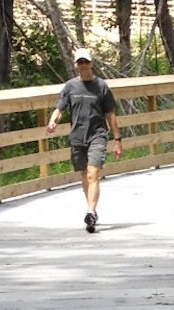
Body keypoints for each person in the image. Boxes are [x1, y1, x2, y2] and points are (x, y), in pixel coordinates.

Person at [49, 48, 121, 232]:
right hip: (77, 136)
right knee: (84, 175)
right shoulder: (70, 86)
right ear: (76, 65)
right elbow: (60, 109)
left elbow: (110, 113)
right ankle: (91, 210)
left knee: (93, 174)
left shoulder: (101, 86)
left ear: (91, 63)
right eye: (79, 62)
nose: (83, 65)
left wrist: (117, 139)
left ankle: (90, 211)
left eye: (85, 62)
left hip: (97, 134)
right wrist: (53, 121)